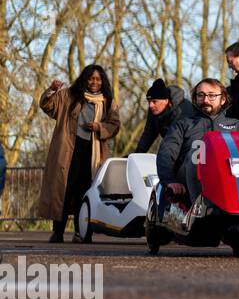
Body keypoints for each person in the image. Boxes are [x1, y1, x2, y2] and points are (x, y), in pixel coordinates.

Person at [37, 65, 122, 242]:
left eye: (98, 79)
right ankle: (58, 232)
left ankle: (81, 232)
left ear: (103, 81)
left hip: (93, 153)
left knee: (85, 192)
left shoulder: (108, 101)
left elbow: (115, 125)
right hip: (67, 151)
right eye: (91, 78)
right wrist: (52, 89)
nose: (94, 82)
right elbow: (46, 105)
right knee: (64, 190)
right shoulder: (67, 95)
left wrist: (99, 127)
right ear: (85, 79)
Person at [156, 79, 239, 207]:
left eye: (212, 95)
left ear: (223, 99)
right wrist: (170, 181)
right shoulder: (182, 125)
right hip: (189, 194)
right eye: (200, 95)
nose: (206, 100)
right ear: (195, 99)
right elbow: (166, 154)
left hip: (232, 191)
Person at [133, 78, 193, 153]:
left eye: (154, 101)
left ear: (166, 100)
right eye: (149, 102)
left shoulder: (183, 110)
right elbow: (148, 134)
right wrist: (136, 156)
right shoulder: (154, 110)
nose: (151, 105)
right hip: (173, 149)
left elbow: (175, 141)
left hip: (191, 150)